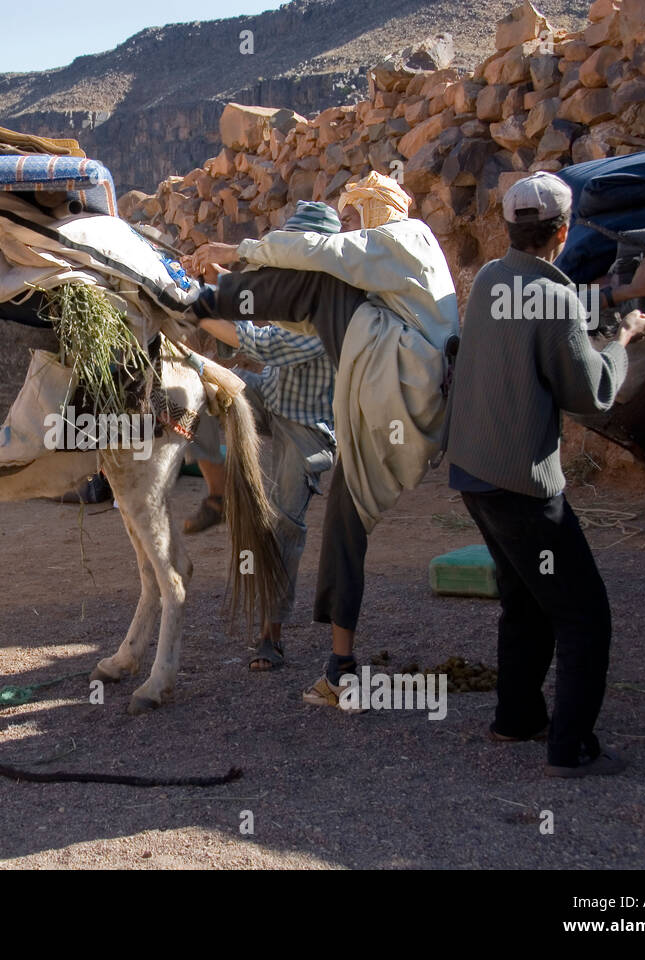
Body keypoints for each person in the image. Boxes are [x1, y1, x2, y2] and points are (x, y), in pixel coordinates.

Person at [188, 173, 460, 708]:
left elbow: (288, 304)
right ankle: (341, 666)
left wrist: (222, 274)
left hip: (341, 411)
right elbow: (288, 302)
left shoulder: (403, 240)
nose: (359, 221)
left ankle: (272, 629)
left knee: (286, 523)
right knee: (342, 527)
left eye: (362, 212)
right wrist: (229, 284)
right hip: (328, 401)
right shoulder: (374, 295)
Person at [446, 171, 645, 777]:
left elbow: (551, 302)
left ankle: (517, 718)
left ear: (510, 228)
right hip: (525, 487)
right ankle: (571, 749)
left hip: (476, 475)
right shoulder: (546, 296)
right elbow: (593, 390)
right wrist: (625, 335)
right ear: (565, 230)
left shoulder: (491, 281)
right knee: (585, 616)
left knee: (525, 598)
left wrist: (624, 289)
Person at [185, 201, 339, 671]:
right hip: (270, 396)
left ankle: (271, 633)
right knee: (202, 389)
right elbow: (252, 304)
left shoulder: (334, 309)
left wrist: (195, 304)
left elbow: (259, 342)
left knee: (284, 528)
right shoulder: (298, 286)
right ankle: (218, 495)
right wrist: (218, 285)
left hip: (308, 431)